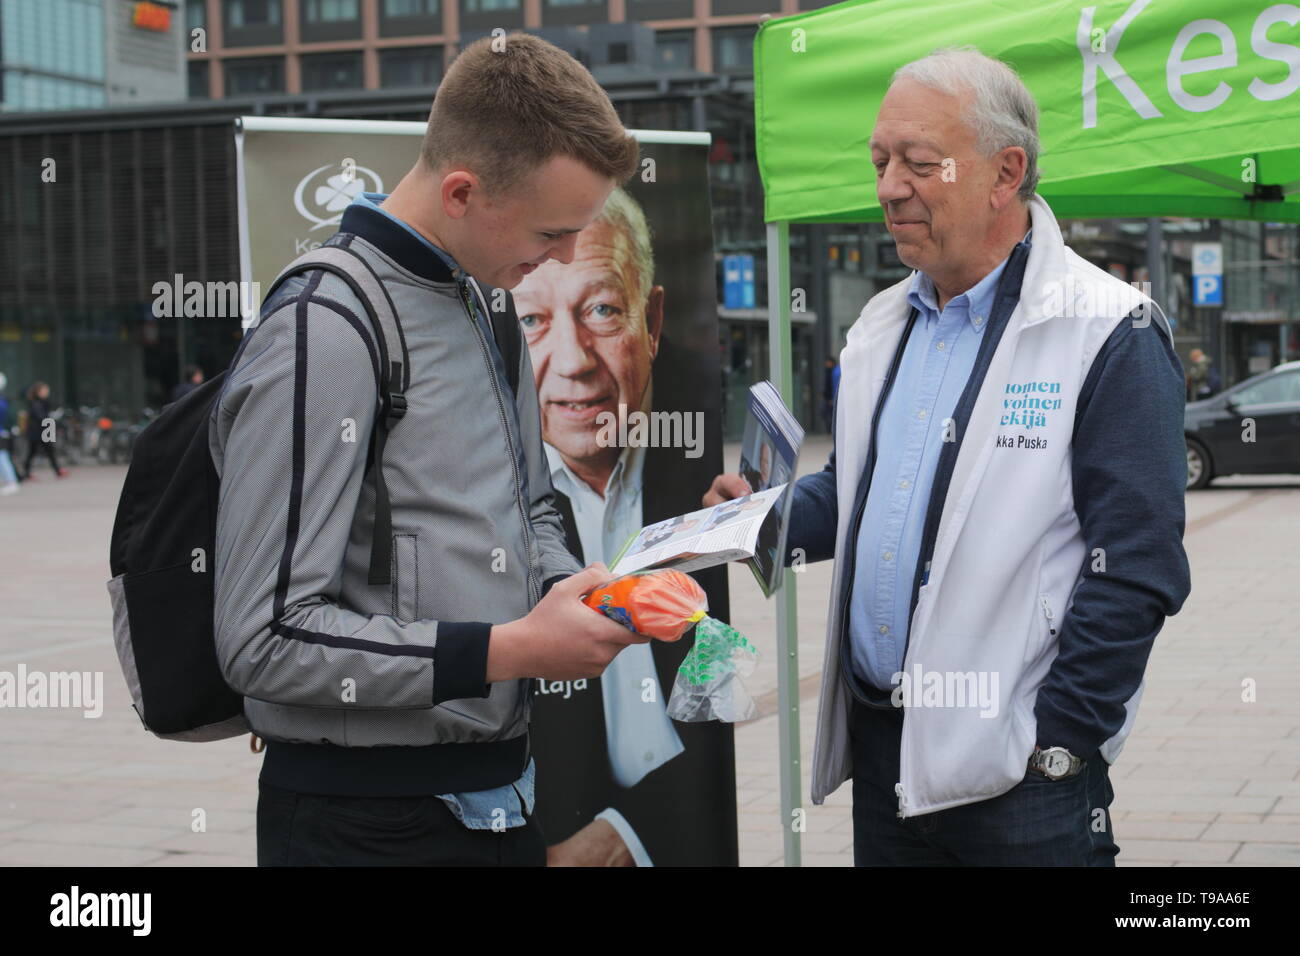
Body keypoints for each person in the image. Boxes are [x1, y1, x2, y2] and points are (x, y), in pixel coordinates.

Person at [704, 47, 1190, 865]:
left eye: (919, 163)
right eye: (880, 161)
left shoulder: (1109, 329)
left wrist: (1059, 745)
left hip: (1021, 779)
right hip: (886, 755)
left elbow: (1137, 568)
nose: (889, 185)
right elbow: (865, 489)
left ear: (1006, 173)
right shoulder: (883, 326)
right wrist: (770, 518)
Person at [210, 33, 647, 867]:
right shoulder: (324, 332)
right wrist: (514, 649)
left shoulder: (489, 309)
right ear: (461, 191)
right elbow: (262, 638)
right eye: (553, 231)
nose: (561, 257)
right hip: (365, 824)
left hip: (500, 797)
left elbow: (533, 506)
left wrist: (571, 594)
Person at [511, 188, 736, 866]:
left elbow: (718, 690)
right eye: (532, 323)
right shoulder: (482, 485)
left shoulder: (695, 459)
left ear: (653, 319)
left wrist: (628, 833)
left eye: (603, 311)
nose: (574, 360)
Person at [21, 381, 67, 480]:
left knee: (47, 451)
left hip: (42, 431)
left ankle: (57, 470)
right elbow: (41, 417)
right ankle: (26, 473)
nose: (47, 392)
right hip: (38, 432)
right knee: (35, 452)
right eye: (44, 390)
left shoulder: (42, 402)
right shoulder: (36, 403)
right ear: (39, 392)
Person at [0, 373, 18, 495]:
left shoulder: (2, 403)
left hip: (1, 433)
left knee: (2, 457)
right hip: (3, 433)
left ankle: (11, 482)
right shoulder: (3, 402)